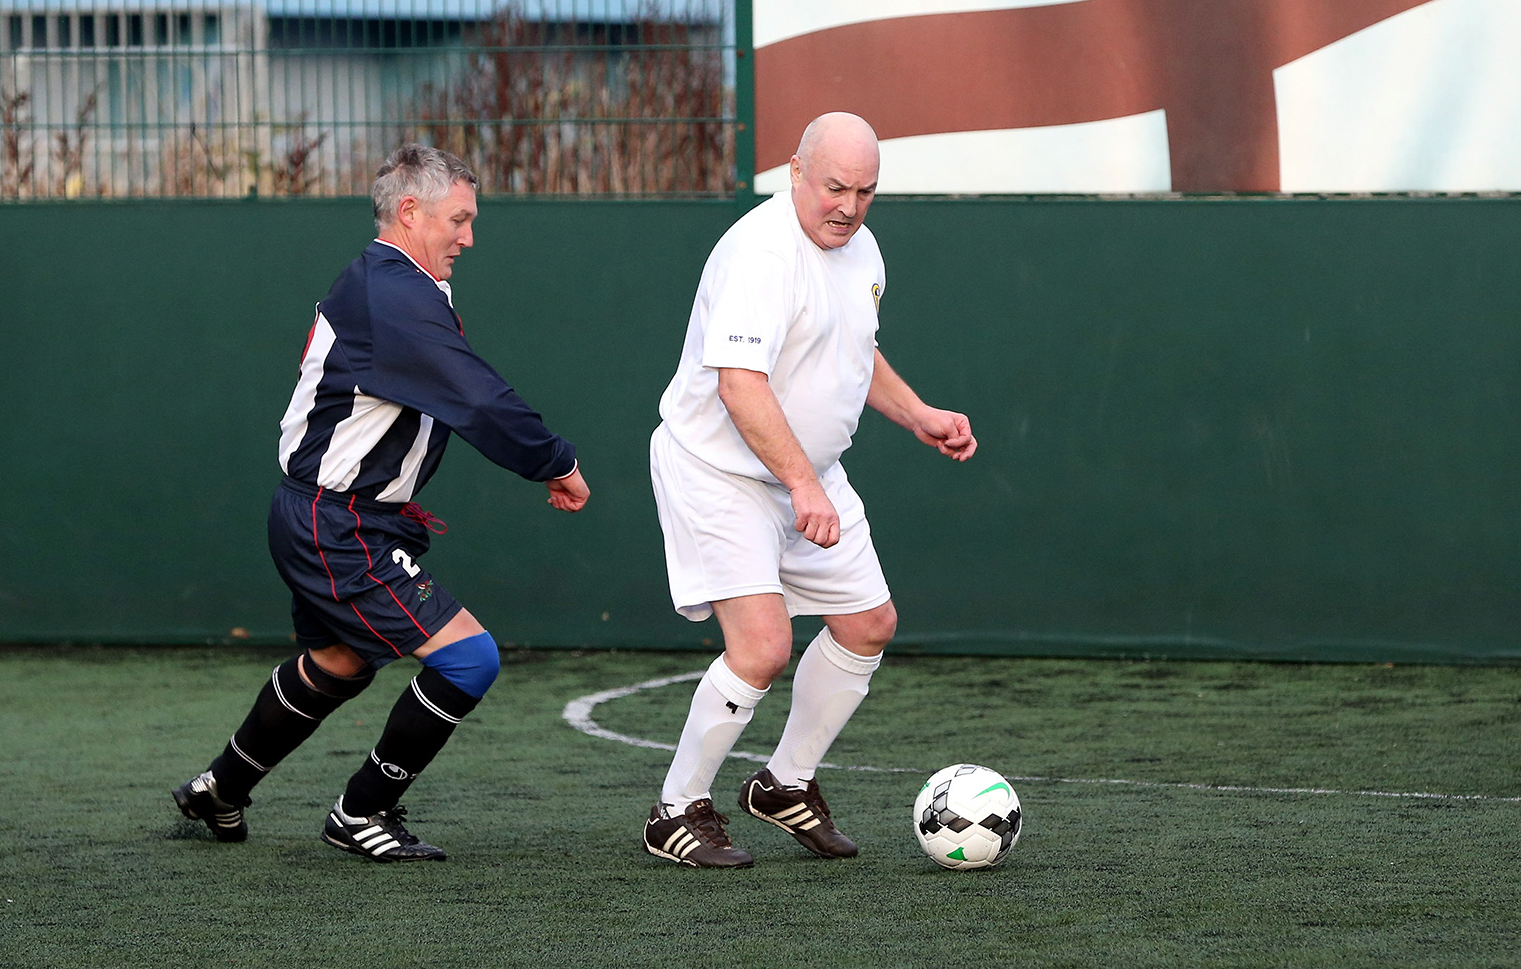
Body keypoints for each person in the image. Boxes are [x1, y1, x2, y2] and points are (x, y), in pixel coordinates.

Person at [172, 144, 590, 862]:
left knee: (338, 660)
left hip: (332, 515)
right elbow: (475, 396)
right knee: (470, 660)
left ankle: (221, 788)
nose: (469, 237)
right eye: (458, 220)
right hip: (337, 524)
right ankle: (361, 811)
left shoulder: (397, 284)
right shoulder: (391, 292)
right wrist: (556, 462)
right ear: (408, 211)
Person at [642, 112, 977, 868]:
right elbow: (738, 385)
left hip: (808, 478)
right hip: (719, 472)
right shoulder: (759, 253)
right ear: (795, 171)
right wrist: (802, 486)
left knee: (868, 624)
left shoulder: (860, 249)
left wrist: (917, 413)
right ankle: (673, 810)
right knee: (761, 647)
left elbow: (853, 348)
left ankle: (783, 784)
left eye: (865, 192)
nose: (849, 207)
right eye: (834, 187)